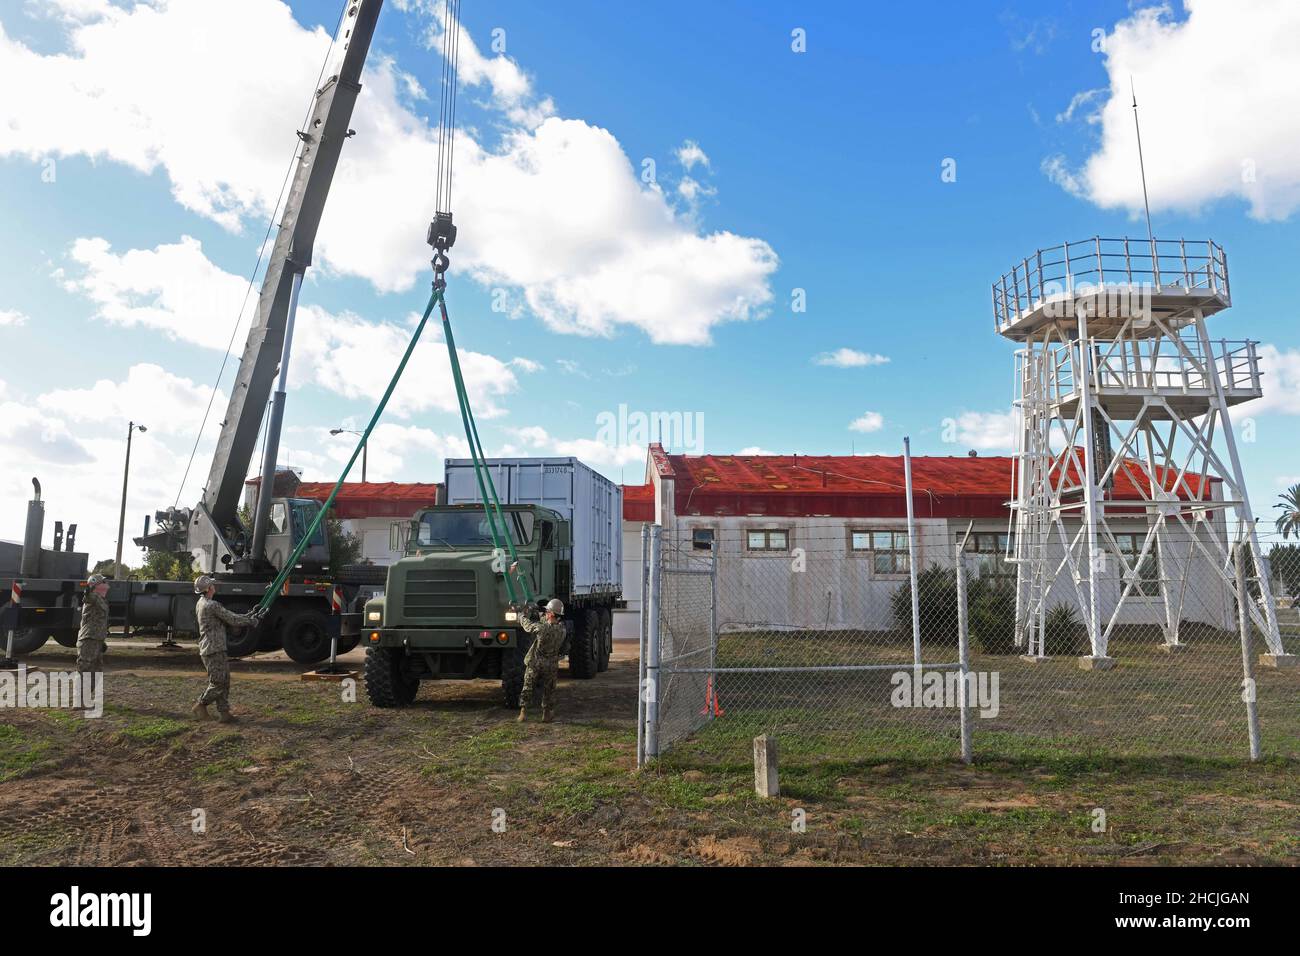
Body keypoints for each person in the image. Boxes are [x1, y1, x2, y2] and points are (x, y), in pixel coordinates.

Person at [191, 575, 263, 723]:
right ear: (209, 588)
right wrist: (251, 621)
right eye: (212, 585)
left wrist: (248, 615)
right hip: (213, 648)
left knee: (224, 681)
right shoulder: (212, 605)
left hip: (213, 647)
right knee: (218, 683)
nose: (214, 586)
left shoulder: (201, 603)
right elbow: (232, 620)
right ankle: (201, 705)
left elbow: (229, 617)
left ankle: (224, 713)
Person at [517, 597, 566, 723]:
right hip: (551, 664)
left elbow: (528, 626)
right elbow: (548, 623)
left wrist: (521, 615)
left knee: (528, 686)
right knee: (549, 689)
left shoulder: (541, 628)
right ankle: (546, 714)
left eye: (547, 612)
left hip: (536, 663)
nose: (545, 613)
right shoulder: (562, 630)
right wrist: (539, 613)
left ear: (550, 614)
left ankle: (523, 713)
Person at [76, 574, 110, 686]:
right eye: (104, 582)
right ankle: (80, 701)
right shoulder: (93, 597)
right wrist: (88, 590)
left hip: (96, 639)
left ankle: (86, 699)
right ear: (97, 585)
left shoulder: (102, 599)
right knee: (85, 669)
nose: (107, 584)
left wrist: (101, 641)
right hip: (88, 638)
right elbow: (87, 597)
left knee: (96, 671)